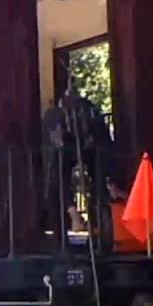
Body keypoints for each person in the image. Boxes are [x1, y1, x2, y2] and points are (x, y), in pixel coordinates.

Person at [40, 81, 114, 240]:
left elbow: (102, 140)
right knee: (58, 177)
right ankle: (73, 220)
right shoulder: (57, 114)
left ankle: (96, 227)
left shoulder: (88, 110)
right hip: (72, 150)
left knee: (97, 183)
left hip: (90, 149)